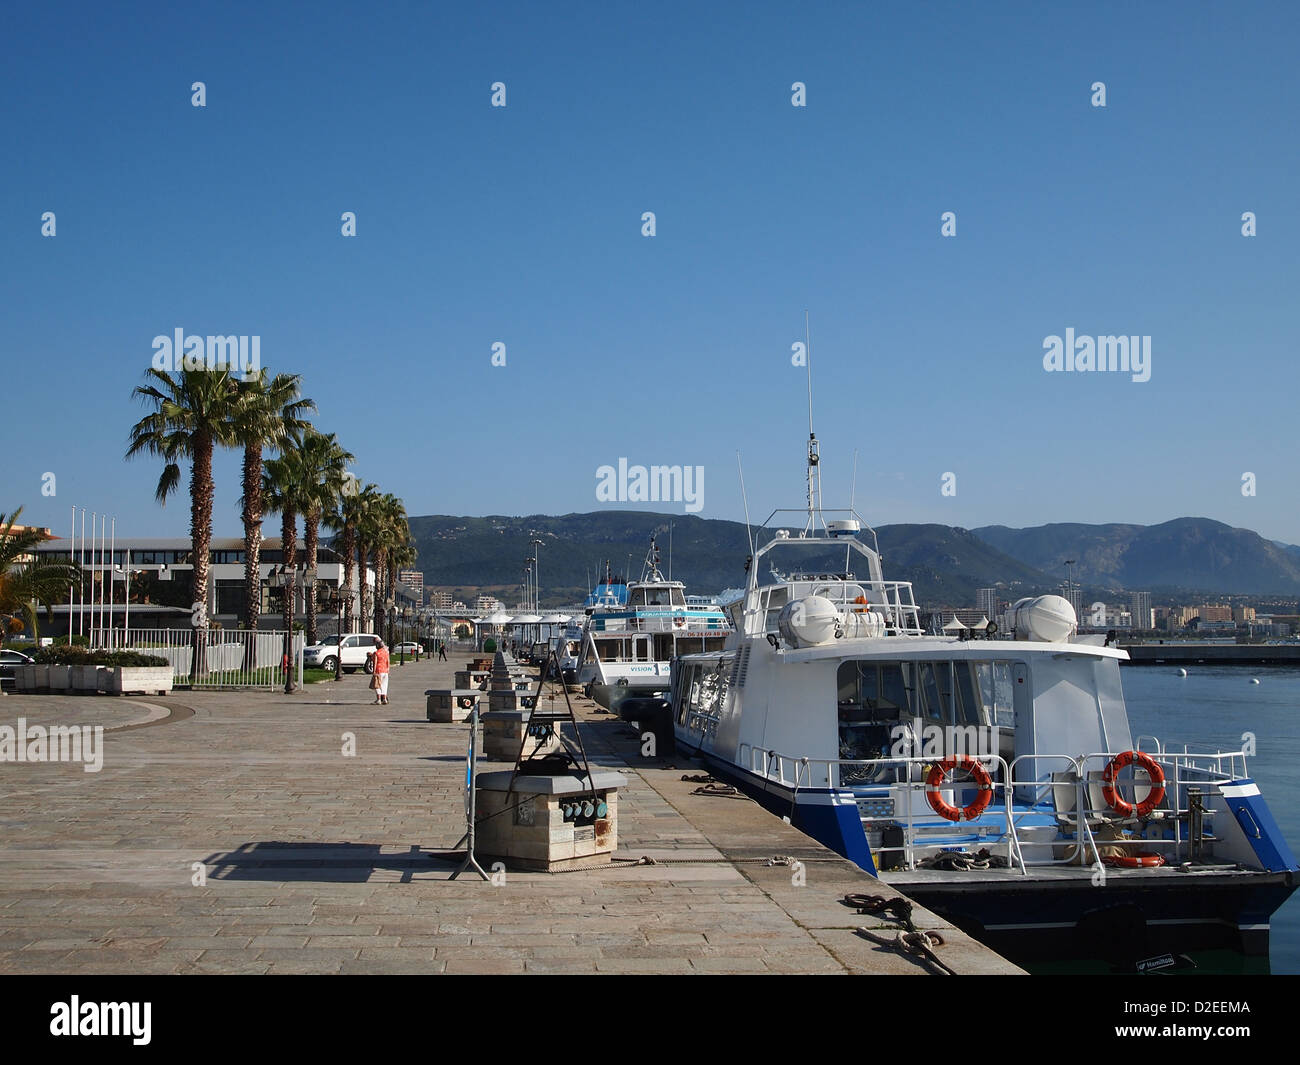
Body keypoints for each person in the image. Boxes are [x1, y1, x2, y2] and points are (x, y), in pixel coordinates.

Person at [372, 639, 391, 705]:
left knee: (377, 685)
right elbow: (388, 661)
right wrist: (388, 669)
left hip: (379, 670)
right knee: (384, 685)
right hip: (385, 671)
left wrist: (374, 671)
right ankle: (385, 699)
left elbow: (375, 663)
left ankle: (379, 699)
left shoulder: (376, 653)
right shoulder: (386, 652)